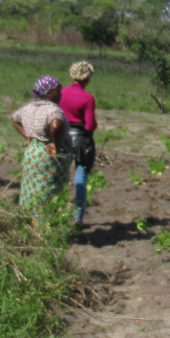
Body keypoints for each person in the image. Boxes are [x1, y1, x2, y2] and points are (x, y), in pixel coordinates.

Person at [11, 75, 69, 222]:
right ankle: (46, 224)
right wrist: (57, 144)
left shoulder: (30, 107)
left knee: (31, 188)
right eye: (58, 91)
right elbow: (56, 126)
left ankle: (30, 220)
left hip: (32, 152)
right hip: (47, 153)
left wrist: (28, 137)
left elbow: (14, 119)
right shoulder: (54, 110)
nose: (61, 94)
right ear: (49, 93)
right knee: (49, 189)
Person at [59, 61, 97, 225]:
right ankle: (78, 218)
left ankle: (56, 213)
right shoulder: (88, 98)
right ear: (88, 79)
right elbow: (89, 125)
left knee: (60, 177)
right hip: (81, 139)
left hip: (61, 136)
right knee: (80, 179)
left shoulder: (61, 93)